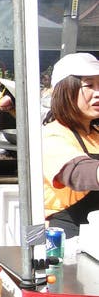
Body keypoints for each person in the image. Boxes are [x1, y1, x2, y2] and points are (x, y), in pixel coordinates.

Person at [42, 52, 99, 239]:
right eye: (89, 85)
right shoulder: (51, 134)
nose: (97, 92)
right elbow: (76, 172)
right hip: (65, 240)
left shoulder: (96, 134)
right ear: (65, 91)